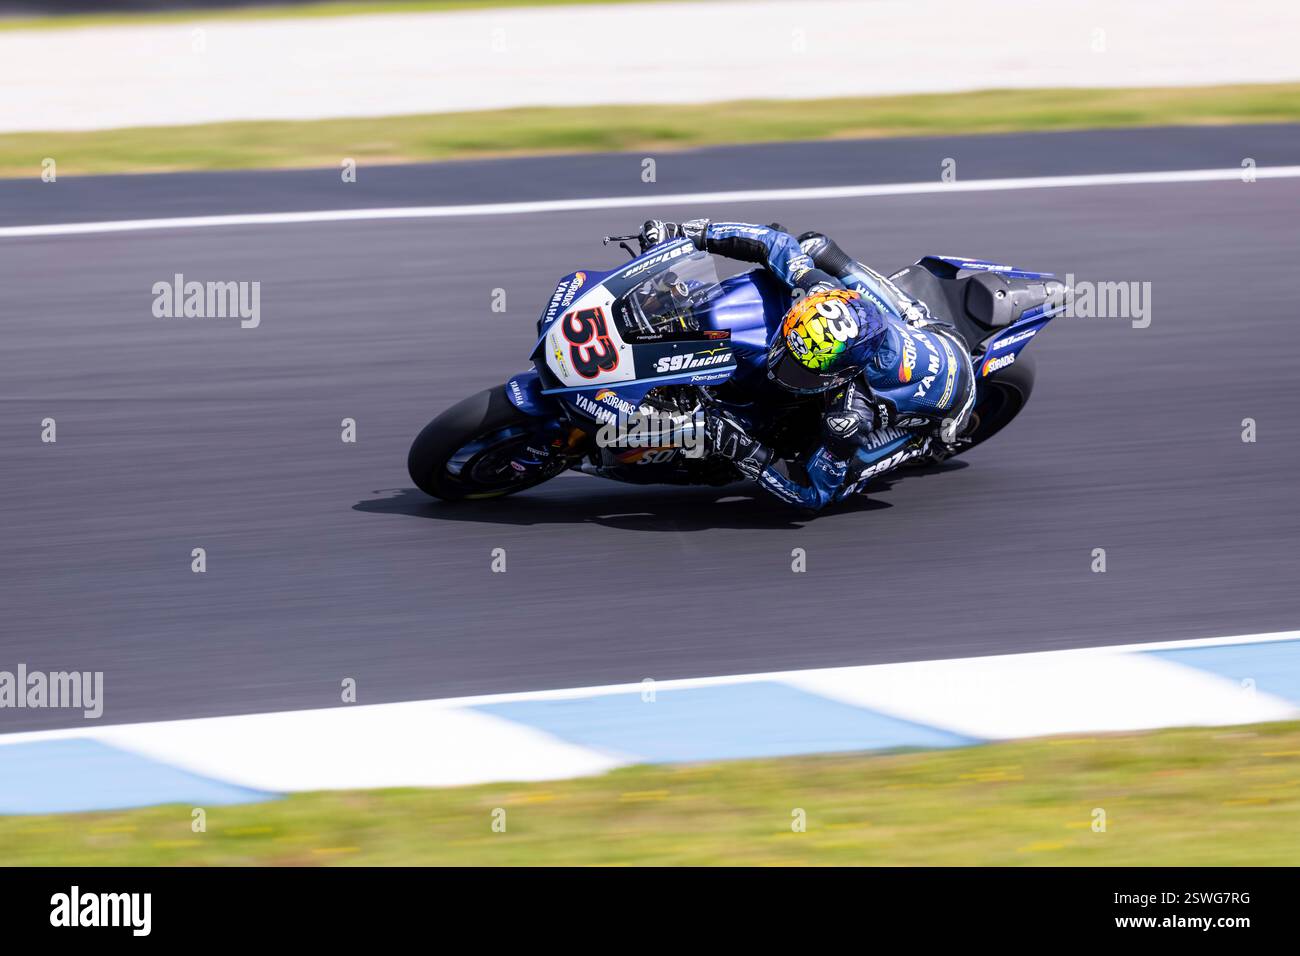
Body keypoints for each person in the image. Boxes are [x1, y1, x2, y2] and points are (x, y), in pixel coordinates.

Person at [638, 219, 976, 511]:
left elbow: (814, 493)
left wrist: (745, 450)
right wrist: (687, 234)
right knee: (813, 246)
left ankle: (922, 442)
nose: (779, 364)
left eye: (798, 368)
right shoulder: (819, 289)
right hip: (917, 324)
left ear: (840, 377)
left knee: (847, 471)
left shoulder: (852, 410)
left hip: (945, 405)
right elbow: (773, 242)